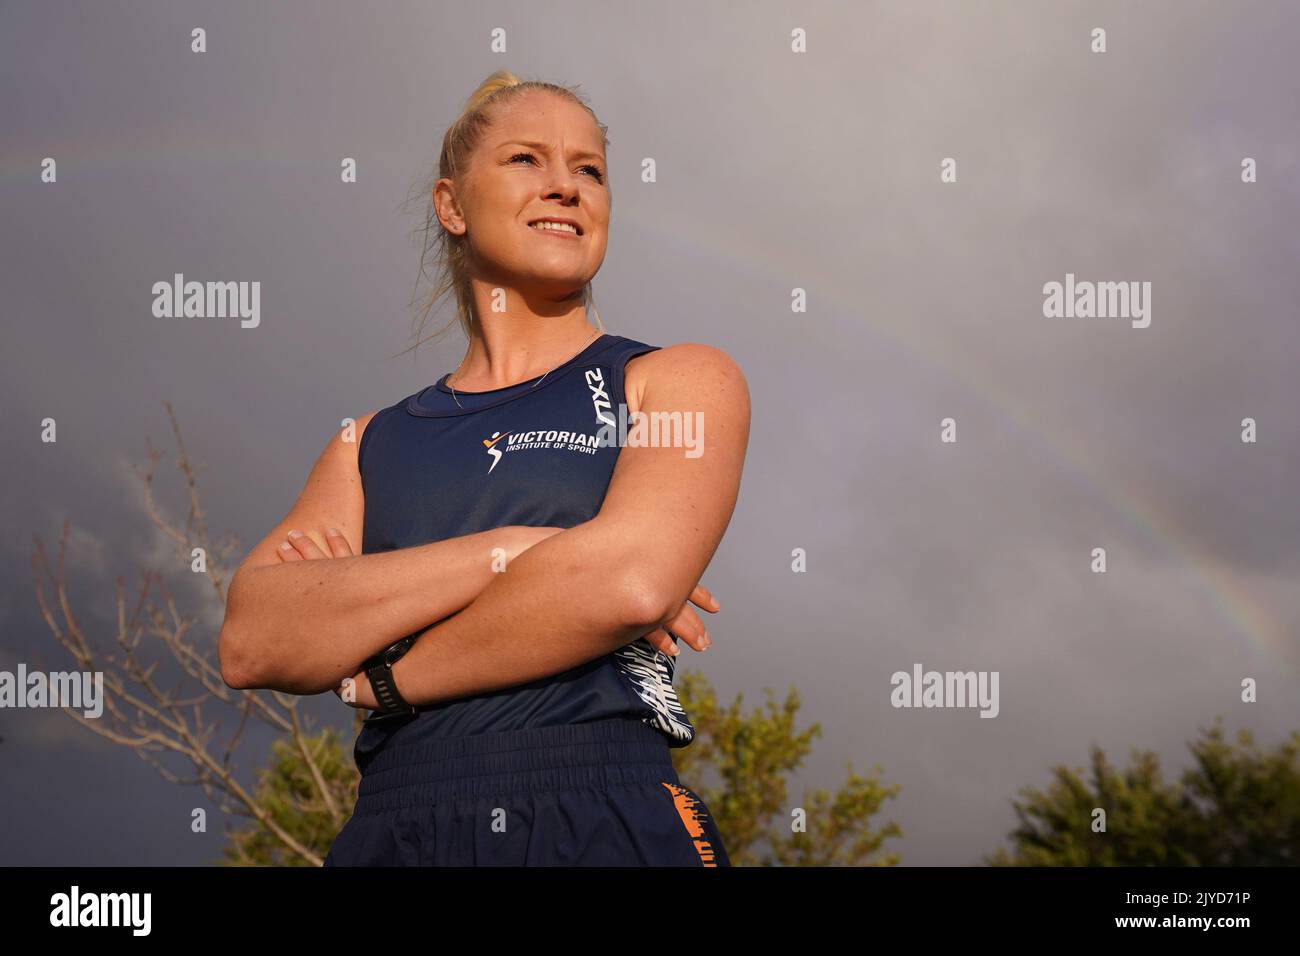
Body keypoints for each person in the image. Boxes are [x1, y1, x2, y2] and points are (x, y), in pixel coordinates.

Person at [218, 70, 750, 866]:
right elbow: (256, 638)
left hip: (601, 812)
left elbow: (629, 585)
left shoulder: (678, 379)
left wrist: (386, 671)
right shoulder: (368, 443)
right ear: (452, 205)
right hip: (391, 832)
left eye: (590, 169)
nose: (567, 186)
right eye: (527, 159)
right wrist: (524, 548)